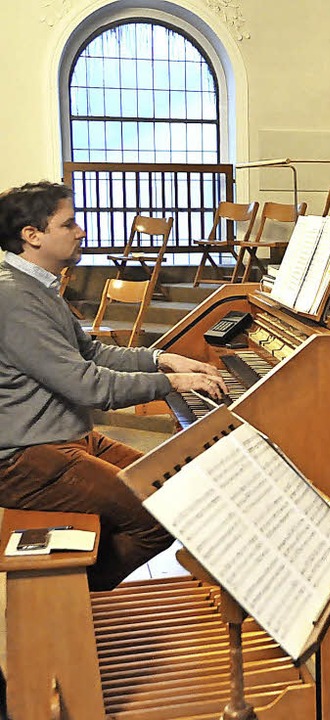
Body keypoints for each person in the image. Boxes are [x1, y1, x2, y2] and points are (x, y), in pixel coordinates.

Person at [0, 180, 228, 591]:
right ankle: (67, 610)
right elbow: (88, 385)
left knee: (171, 485)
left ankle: (78, 593)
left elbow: (92, 353)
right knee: (158, 519)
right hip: (25, 458)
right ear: (31, 236)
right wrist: (171, 382)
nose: (81, 230)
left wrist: (161, 357)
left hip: (67, 438)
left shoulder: (38, 285)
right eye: (69, 224)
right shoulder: (14, 298)